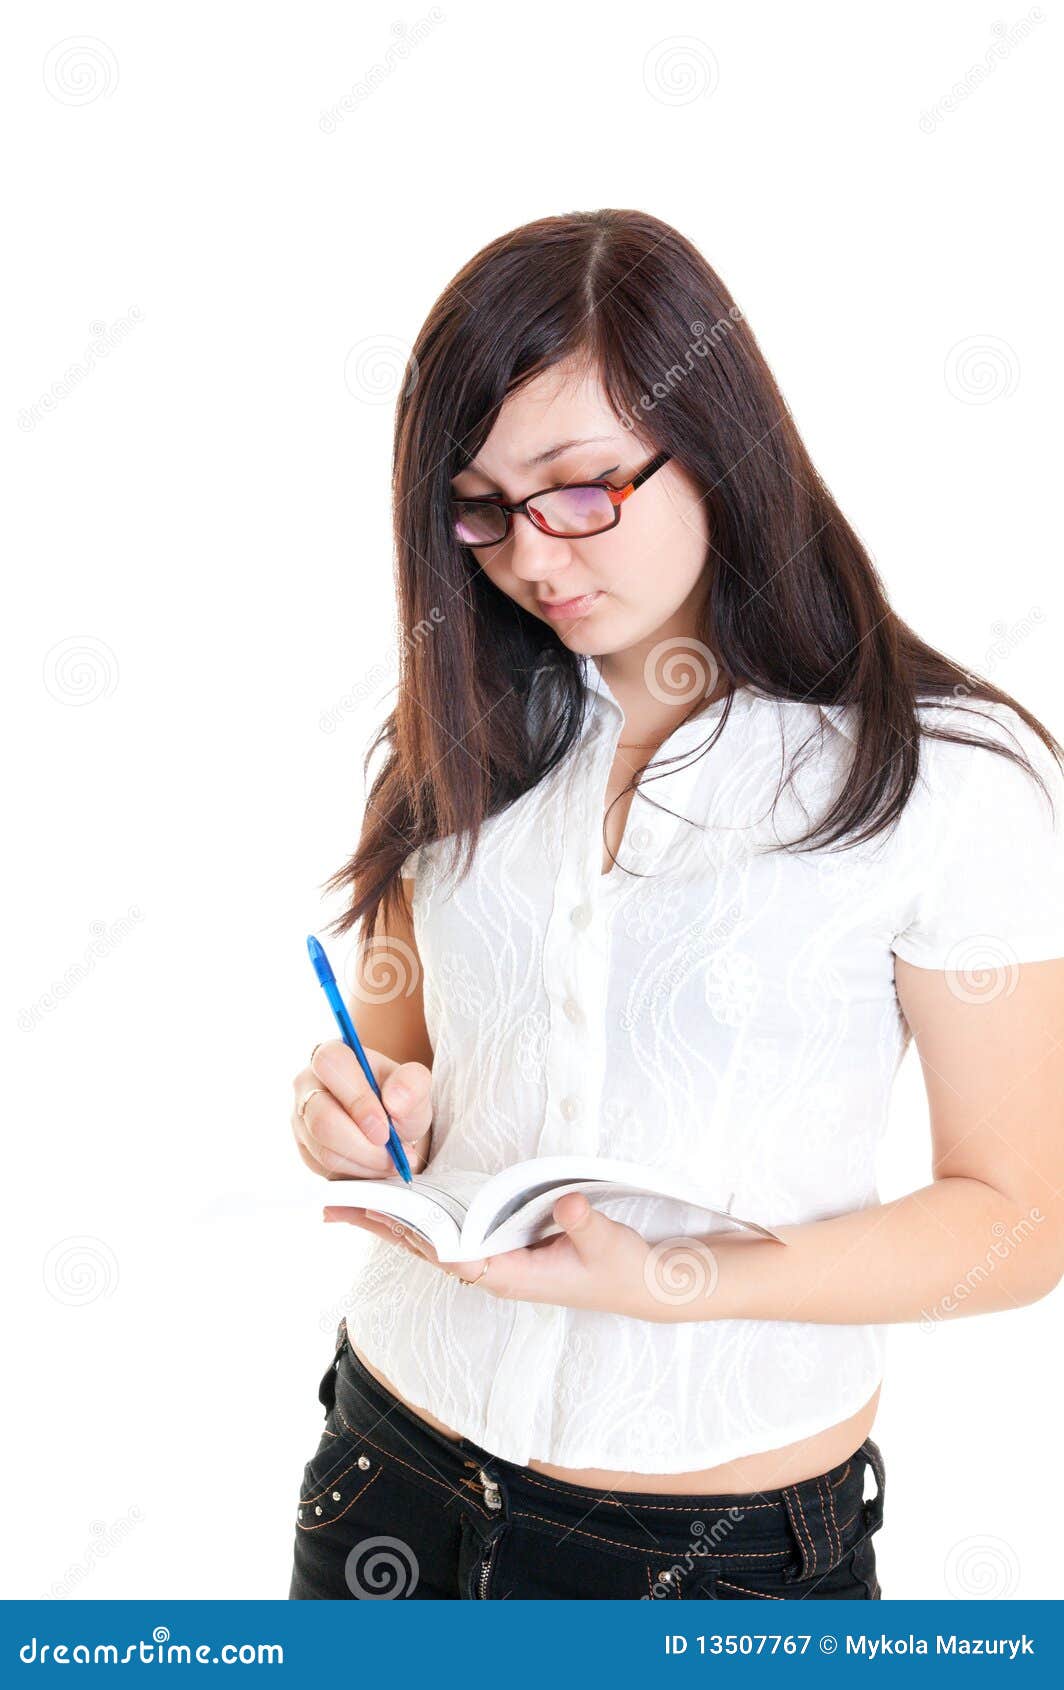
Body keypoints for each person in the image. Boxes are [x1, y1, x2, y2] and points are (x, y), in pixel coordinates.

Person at [288, 209, 1064, 1601]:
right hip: (388, 1470)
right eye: (478, 507)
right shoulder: (457, 729)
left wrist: (682, 1279)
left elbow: (1019, 1221)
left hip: (714, 1559)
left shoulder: (945, 773)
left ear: (717, 443)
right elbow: (400, 1052)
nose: (532, 557)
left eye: (581, 488)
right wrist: (355, 1106)